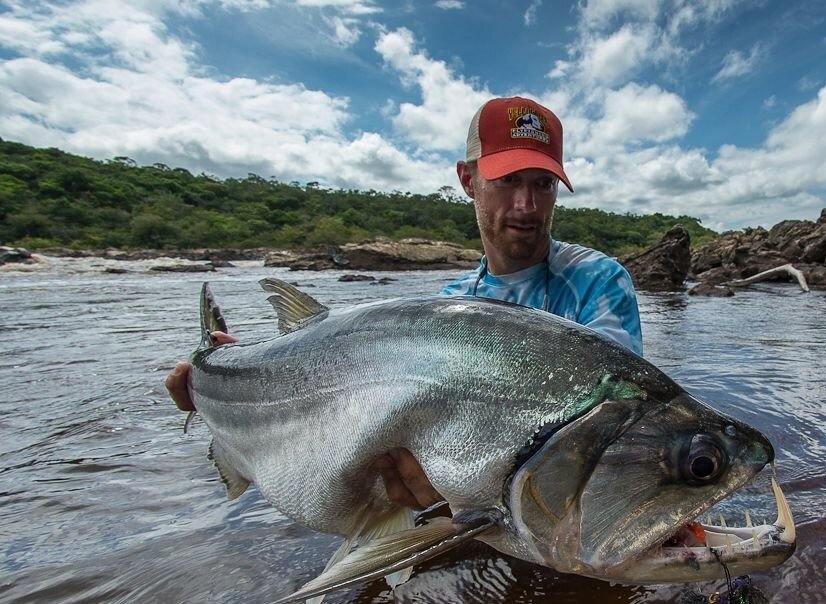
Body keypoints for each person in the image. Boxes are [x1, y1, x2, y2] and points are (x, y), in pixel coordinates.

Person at [166, 96, 643, 510]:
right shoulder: (448, 309)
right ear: (467, 179)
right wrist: (225, 374)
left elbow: (622, 436)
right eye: (508, 180)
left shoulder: (598, 282)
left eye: (543, 184)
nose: (526, 204)